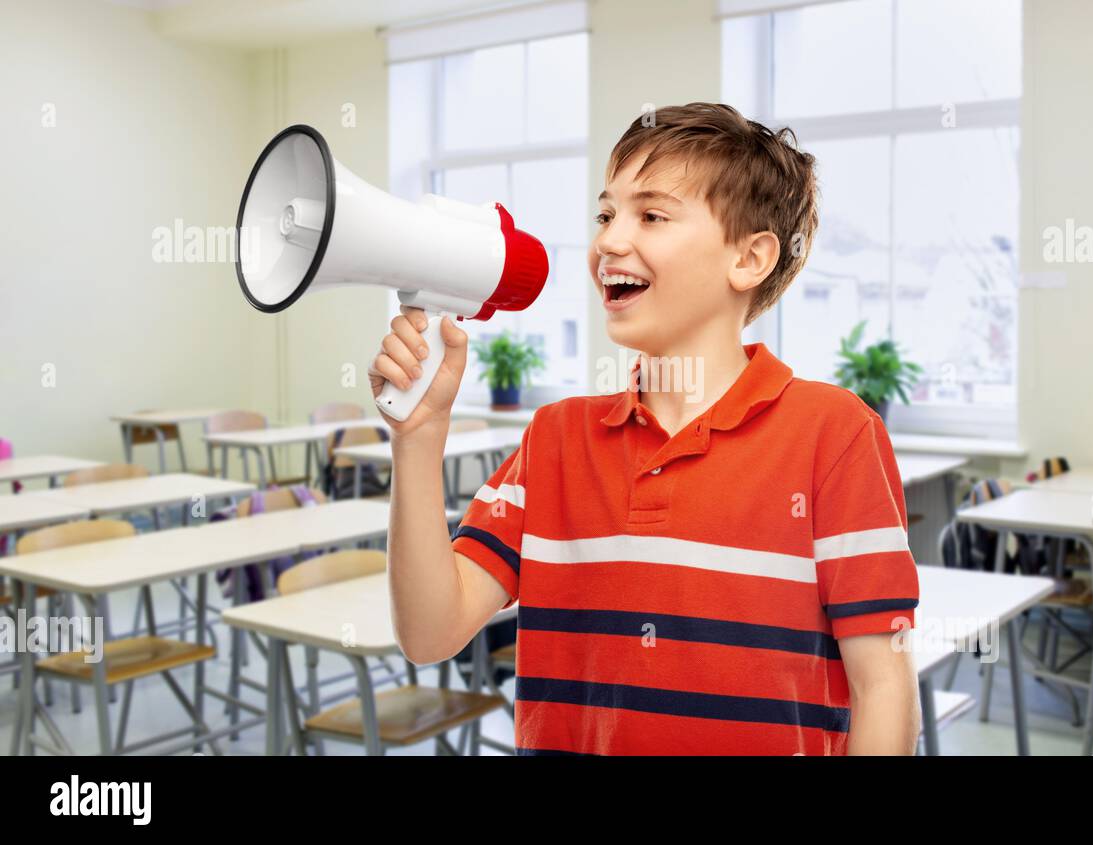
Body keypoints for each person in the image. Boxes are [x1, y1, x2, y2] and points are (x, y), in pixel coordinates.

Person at [372, 102, 920, 755]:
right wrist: (418, 438)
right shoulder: (554, 439)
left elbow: (883, 686)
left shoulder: (834, 435)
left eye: (651, 216)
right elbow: (431, 633)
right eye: (605, 215)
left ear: (749, 258)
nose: (607, 240)